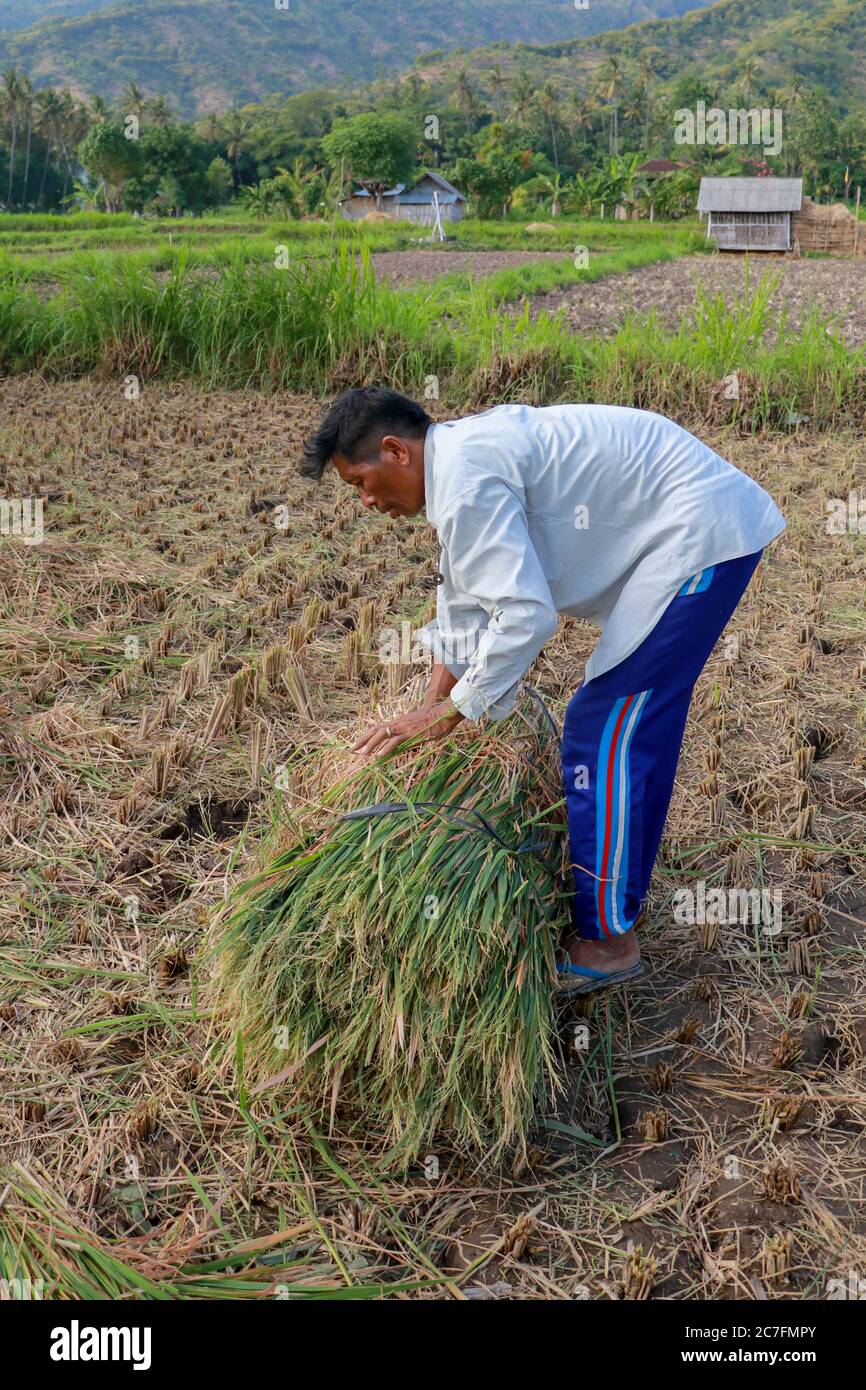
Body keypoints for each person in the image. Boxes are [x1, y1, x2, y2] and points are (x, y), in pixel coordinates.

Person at [301, 387, 786, 995]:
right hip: (689, 527)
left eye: (361, 483)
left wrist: (452, 715)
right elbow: (465, 603)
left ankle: (609, 942)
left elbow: (525, 616)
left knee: (605, 726)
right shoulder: (461, 466)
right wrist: (429, 710)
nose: (368, 501)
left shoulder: (468, 478)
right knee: (631, 724)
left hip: (699, 532)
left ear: (396, 450)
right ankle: (618, 899)